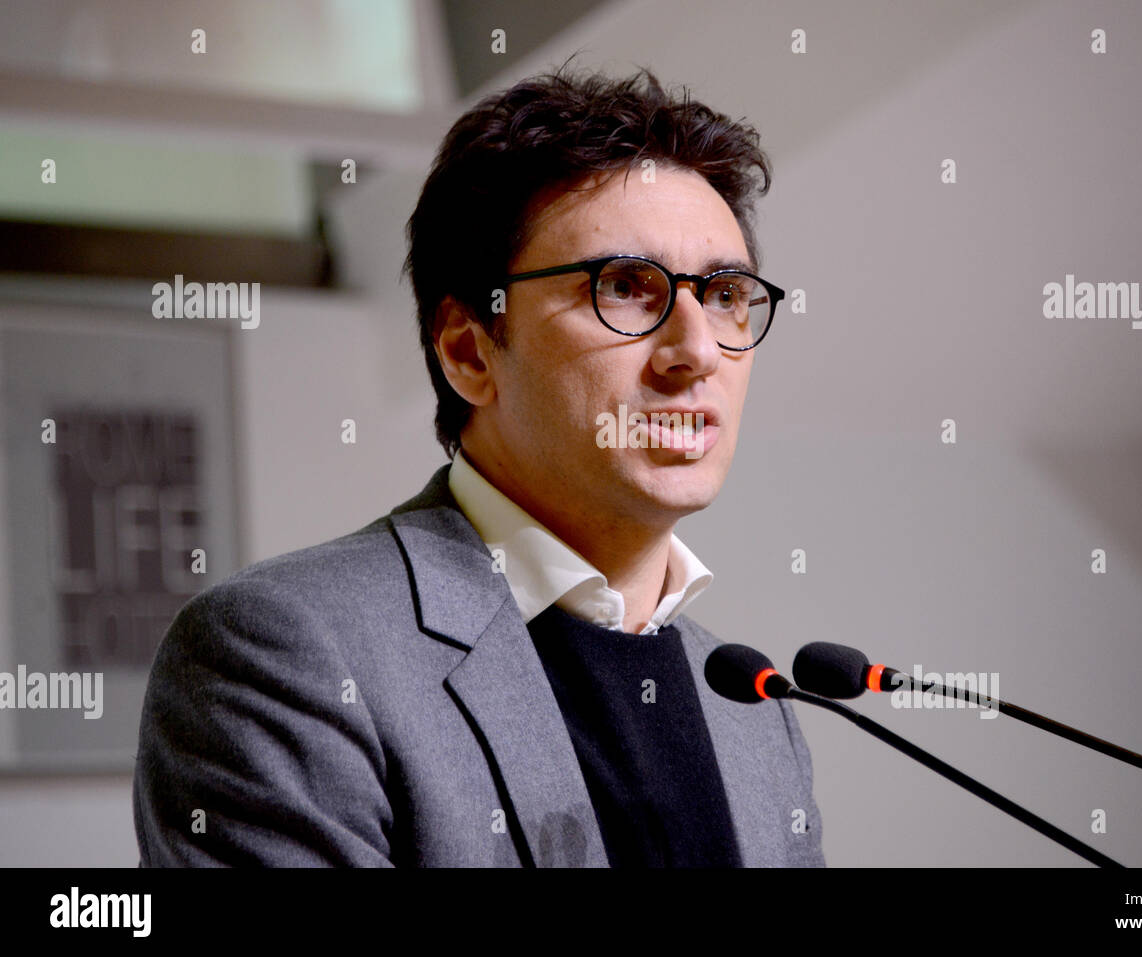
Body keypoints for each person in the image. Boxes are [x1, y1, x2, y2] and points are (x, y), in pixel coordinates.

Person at [133, 64, 825, 867]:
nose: (698, 349)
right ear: (469, 352)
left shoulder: (751, 702)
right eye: (626, 287)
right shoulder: (282, 652)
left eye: (726, 293)